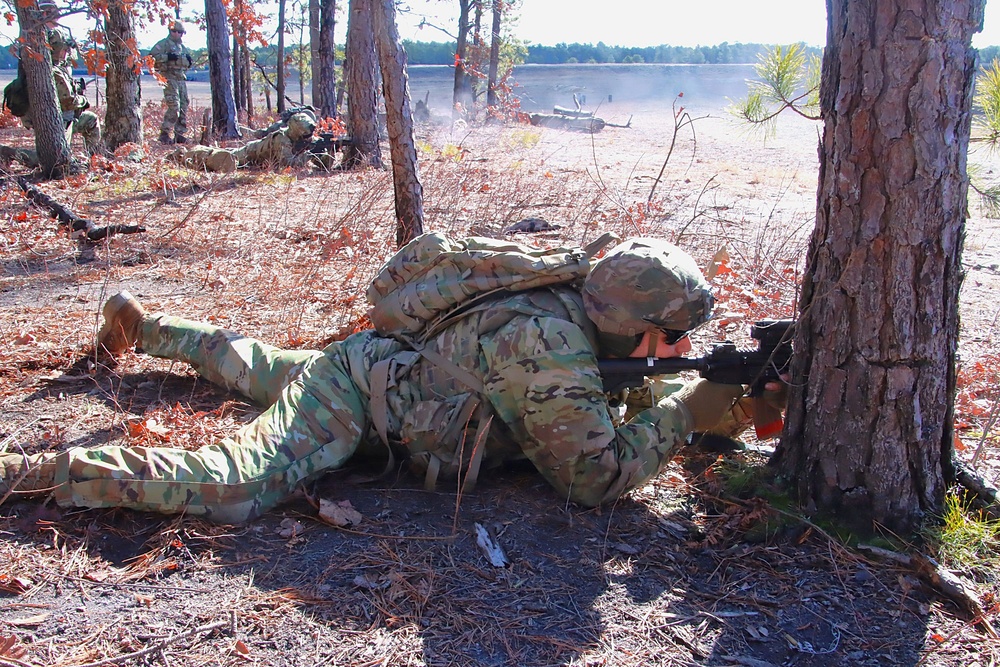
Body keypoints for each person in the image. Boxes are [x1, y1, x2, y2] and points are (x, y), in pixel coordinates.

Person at [0, 237, 782, 524]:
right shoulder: (550, 346)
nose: (681, 348)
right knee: (233, 484)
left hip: (384, 370)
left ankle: (147, 328)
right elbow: (592, 476)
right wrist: (690, 412)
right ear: (629, 320)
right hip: (359, 397)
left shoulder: (574, 312)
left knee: (261, 366)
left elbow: (636, 399)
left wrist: (729, 405)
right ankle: (29, 471)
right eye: (674, 335)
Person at [20, 28, 102, 155]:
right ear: (55, 50)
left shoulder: (54, 67)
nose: (66, 53)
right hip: (57, 122)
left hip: (63, 118)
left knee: (91, 120)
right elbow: (68, 101)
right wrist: (83, 100)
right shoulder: (53, 71)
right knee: (57, 157)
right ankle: (9, 153)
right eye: (63, 50)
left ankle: (93, 158)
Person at [167, 112, 337, 172]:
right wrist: (310, 155)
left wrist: (327, 150)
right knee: (220, 159)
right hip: (248, 155)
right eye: (305, 135)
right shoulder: (282, 138)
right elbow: (287, 164)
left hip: (257, 163)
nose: (309, 138)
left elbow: (324, 163)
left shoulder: (305, 138)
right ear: (296, 131)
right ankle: (182, 155)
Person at [149, 21, 193, 144]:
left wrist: (189, 61)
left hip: (181, 79)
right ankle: (164, 133)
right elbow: (151, 59)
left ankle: (180, 134)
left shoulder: (183, 48)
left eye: (180, 32)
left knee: (184, 105)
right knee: (174, 106)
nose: (177, 34)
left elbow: (187, 64)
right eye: (174, 31)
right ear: (170, 31)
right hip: (169, 77)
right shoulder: (163, 44)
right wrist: (167, 57)